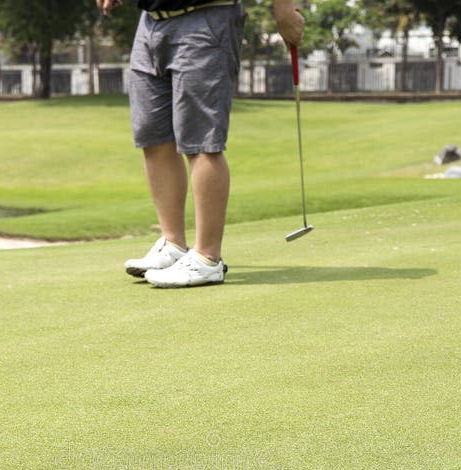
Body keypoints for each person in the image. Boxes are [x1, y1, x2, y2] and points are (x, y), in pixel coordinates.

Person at [97, 0, 305, 287]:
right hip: (149, 22)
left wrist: (283, 11)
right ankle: (173, 245)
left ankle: (207, 259)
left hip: (206, 18)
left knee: (202, 141)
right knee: (153, 137)